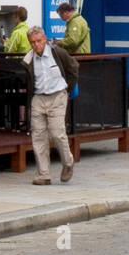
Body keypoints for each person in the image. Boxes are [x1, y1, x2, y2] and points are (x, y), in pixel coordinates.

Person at [20, 26, 78, 184]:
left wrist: (67, 88)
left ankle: (67, 162)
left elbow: (73, 68)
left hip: (57, 95)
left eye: (39, 41)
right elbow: (30, 79)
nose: (36, 45)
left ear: (45, 40)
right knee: (38, 136)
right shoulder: (29, 59)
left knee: (57, 133)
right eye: (32, 42)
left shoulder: (57, 53)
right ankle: (43, 174)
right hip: (39, 97)